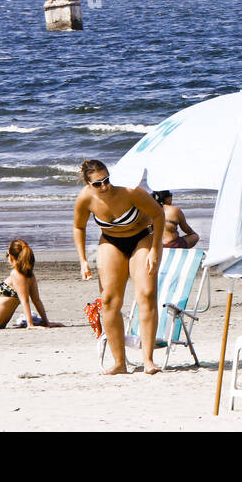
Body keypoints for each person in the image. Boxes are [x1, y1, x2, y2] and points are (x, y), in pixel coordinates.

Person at [73, 159, 165, 375]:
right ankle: (119, 363)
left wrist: (154, 249)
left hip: (143, 237)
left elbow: (158, 214)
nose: (105, 186)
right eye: (98, 184)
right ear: (88, 184)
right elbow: (78, 227)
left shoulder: (130, 191)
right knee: (109, 300)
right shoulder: (85, 199)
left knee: (146, 294)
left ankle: (148, 360)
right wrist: (83, 259)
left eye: (107, 180)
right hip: (111, 241)